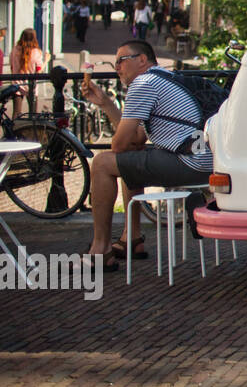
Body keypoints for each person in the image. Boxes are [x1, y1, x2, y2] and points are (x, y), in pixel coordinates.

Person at [80, 39, 214, 270]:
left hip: (190, 162)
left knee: (102, 163)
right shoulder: (163, 78)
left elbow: (120, 145)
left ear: (142, 60)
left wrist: (121, 140)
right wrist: (106, 103)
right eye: (115, 64)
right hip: (206, 158)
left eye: (121, 60)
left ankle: (100, 249)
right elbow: (137, 139)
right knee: (131, 160)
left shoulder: (143, 84)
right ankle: (131, 239)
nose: (118, 68)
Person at [8, 28, 44, 119]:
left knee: (16, 112)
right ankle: (30, 131)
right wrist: (47, 60)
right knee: (33, 113)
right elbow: (39, 71)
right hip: (31, 85)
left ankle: (14, 131)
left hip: (17, 84)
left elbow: (12, 67)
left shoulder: (14, 50)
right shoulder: (36, 52)